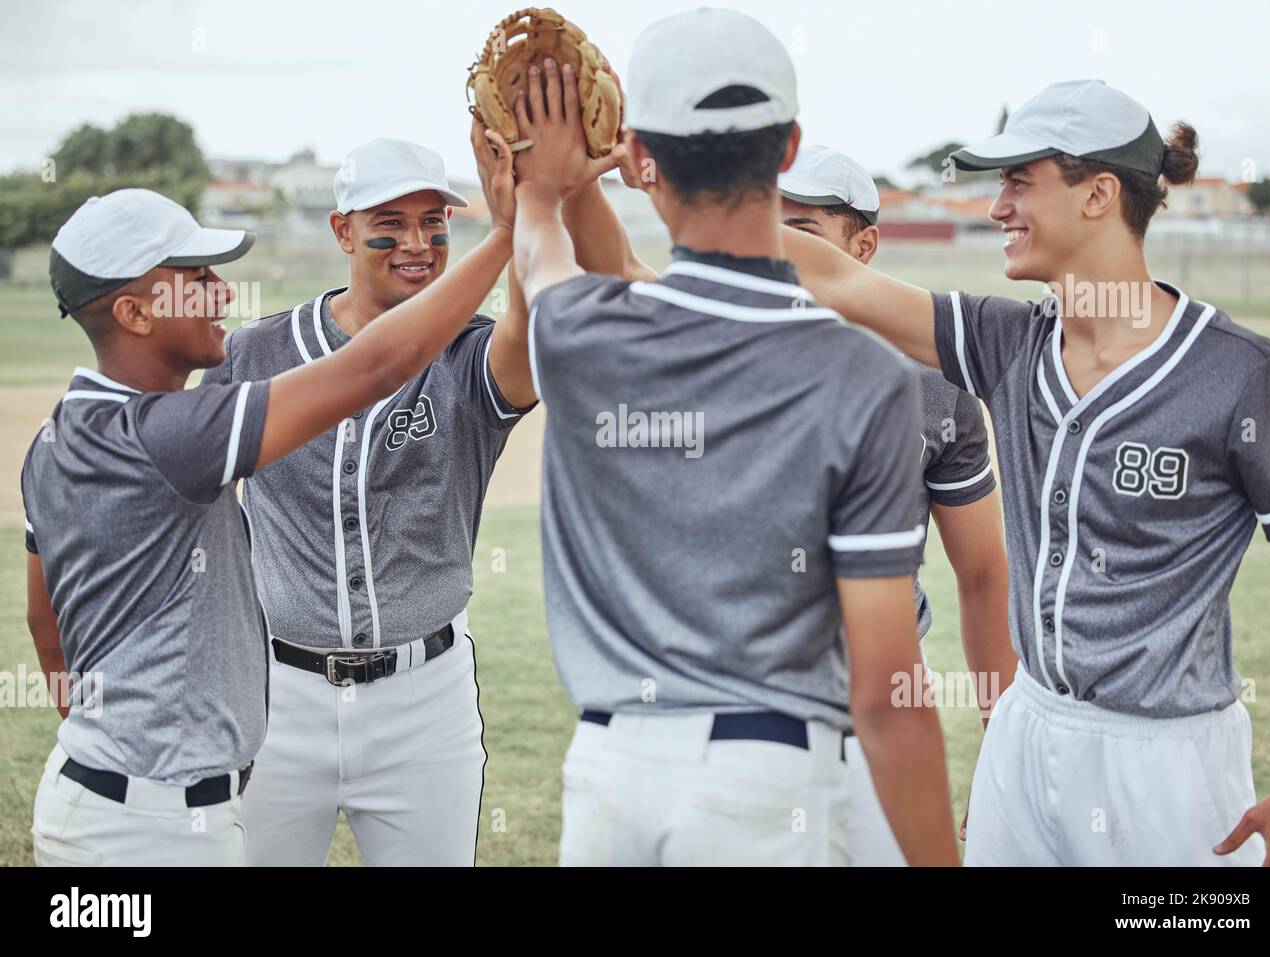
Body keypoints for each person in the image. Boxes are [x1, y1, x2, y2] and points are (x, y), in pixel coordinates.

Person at [783, 79, 1270, 866]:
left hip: (1165, 764)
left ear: (1098, 193)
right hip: (1025, 735)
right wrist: (674, 171)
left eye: (1021, 181)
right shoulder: (1007, 341)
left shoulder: (1241, 375)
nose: (997, 208)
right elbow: (837, 280)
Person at [509, 8, 958, 866]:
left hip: (606, 770)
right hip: (766, 782)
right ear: (788, 149)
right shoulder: (869, 379)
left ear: (643, 158)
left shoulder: (579, 329)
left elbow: (540, 255)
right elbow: (888, 694)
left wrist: (544, 184)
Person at [22, 123, 517, 867]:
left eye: (433, 222)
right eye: (197, 277)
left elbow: (43, 614)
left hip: (102, 789)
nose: (224, 291)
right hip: (154, 821)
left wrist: (106, 729)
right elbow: (376, 367)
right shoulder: (180, 431)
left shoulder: (57, 435)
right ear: (132, 311)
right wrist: (511, 227)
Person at [201, 130, 535, 866]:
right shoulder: (255, 354)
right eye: (389, 223)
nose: (415, 242)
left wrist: (537, 204)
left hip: (426, 703)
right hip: (277, 697)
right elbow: (196, 513)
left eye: (434, 224)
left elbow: (540, 323)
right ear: (342, 229)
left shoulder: (475, 351)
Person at [778, 145, 1018, 864]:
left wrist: (998, 749)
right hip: (743, 723)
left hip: (882, 726)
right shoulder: (713, 359)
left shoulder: (933, 383)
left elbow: (982, 576)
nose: (777, 251)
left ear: (865, 244)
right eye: (766, 227)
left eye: (803, 232)